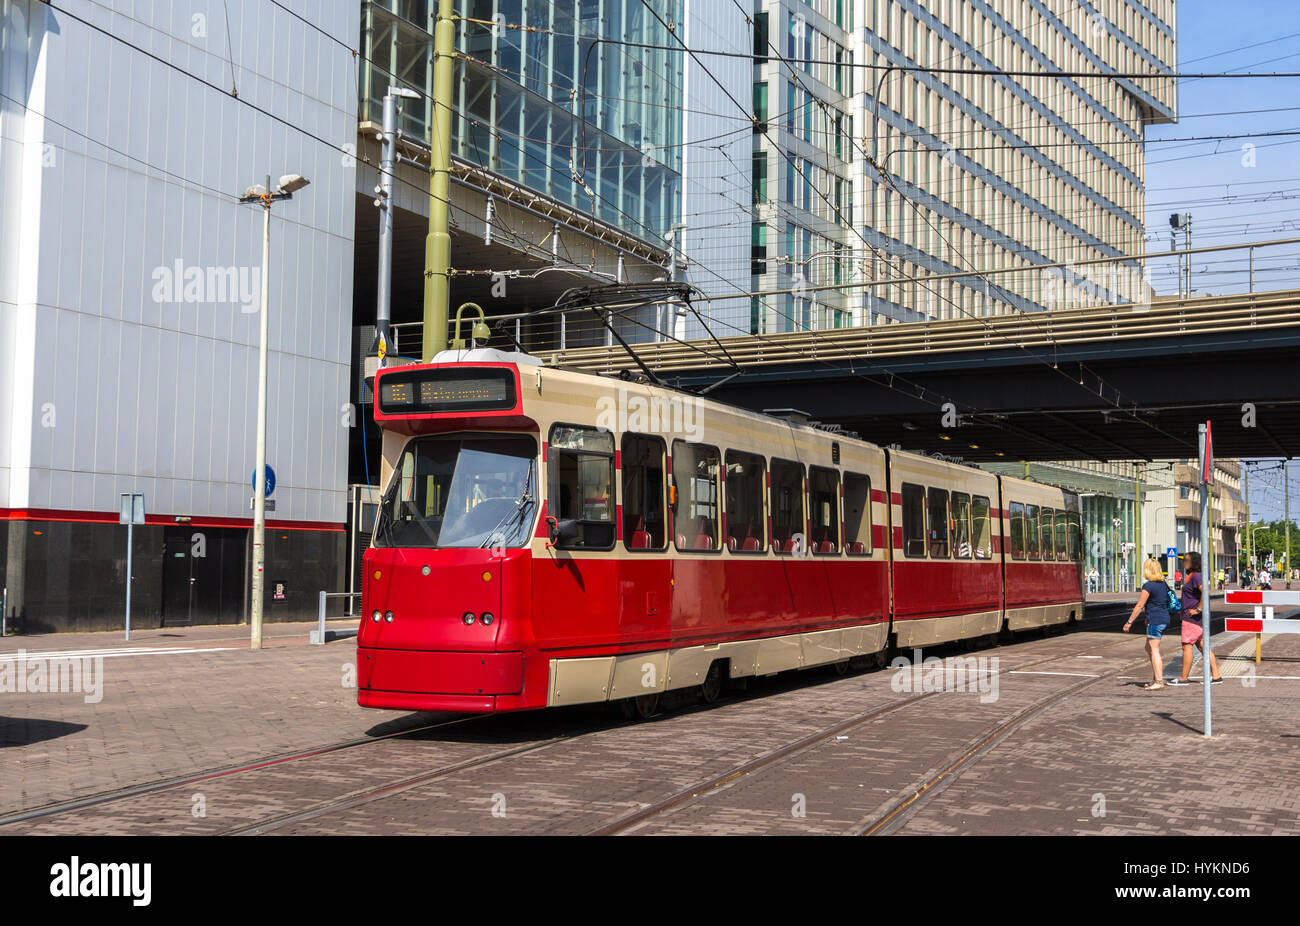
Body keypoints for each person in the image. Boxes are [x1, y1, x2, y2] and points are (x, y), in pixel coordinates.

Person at [1168, 552, 1223, 687]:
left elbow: (1206, 592)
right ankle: (1216, 676)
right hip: (1194, 617)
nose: (1184, 562)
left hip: (1193, 618)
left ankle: (1183, 678)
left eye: (1187, 560)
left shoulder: (1197, 576)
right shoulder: (1192, 576)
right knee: (1202, 645)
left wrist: (1198, 609)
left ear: (1194, 562)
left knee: (1187, 646)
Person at [1124, 558, 1174, 690]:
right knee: (1149, 647)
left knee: (1154, 650)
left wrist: (1129, 622)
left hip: (1156, 620)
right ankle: (1155, 678)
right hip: (1164, 618)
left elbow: (1140, 605)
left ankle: (1159, 681)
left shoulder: (1148, 586)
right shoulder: (1163, 584)